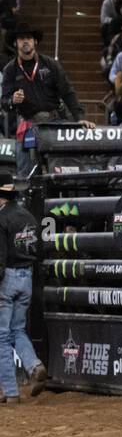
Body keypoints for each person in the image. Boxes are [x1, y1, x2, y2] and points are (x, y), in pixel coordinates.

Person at [0, 23, 91, 179]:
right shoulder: (10, 70)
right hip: (28, 125)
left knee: (64, 170)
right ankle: (26, 201)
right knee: (25, 175)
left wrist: (80, 118)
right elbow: (4, 102)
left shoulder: (50, 65)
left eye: (29, 38)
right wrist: (12, 101)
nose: (25, 41)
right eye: (21, 38)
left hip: (54, 123)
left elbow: (68, 92)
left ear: (35, 41)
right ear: (16, 43)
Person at [0, 172, 45, 405]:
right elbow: (36, 247)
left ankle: (10, 391)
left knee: (2, 335)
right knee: (17, 329)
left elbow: (0, 255)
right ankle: (34, 365)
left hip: (6, 278)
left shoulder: (1, 219)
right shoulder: (28, 216)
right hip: (26, 275)